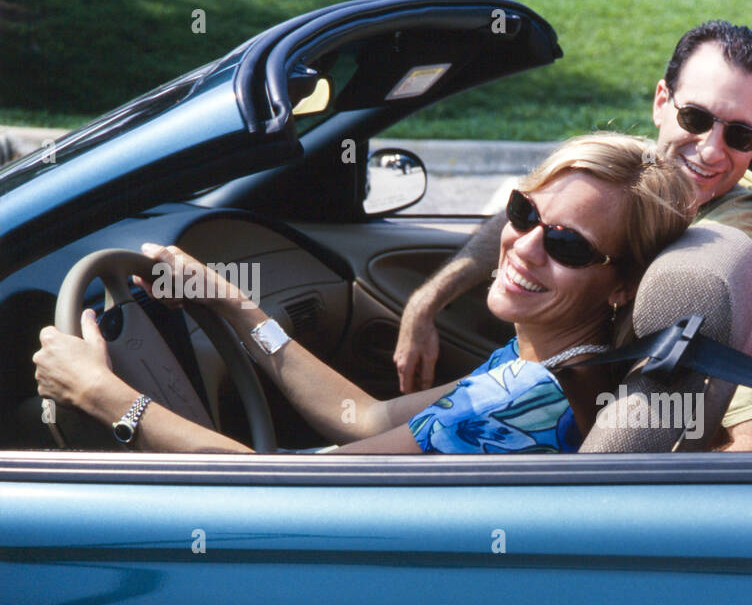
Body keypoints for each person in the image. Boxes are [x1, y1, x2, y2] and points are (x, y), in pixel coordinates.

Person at [33, 133, 695, 454]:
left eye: (569, 245)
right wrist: (237, 307)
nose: (523, 246)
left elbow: (275, 496)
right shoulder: (544, 364)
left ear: (622, 287)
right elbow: (367, 422)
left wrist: (106, 397)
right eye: (523, 213)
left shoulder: (526, 409)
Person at [395, 20, 752, 451]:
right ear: (662, 102)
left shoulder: (726, 247)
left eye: (739, 135)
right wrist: (426, 302)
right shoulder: (647, 173)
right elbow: (538, 210)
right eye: (695, 118)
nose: (711, 149)